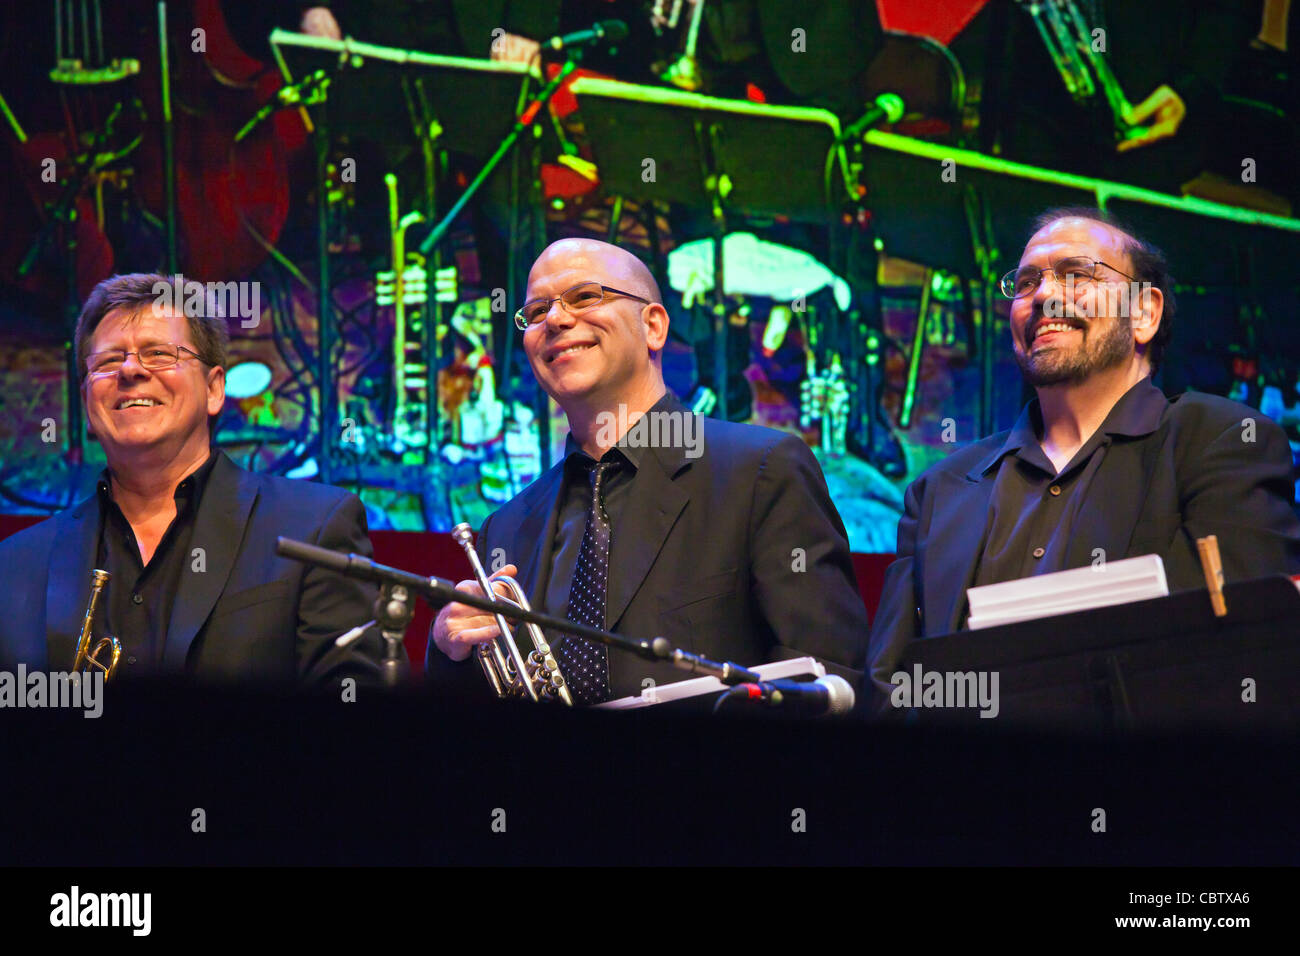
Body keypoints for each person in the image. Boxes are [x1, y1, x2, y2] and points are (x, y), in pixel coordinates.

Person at [866, 207, 1300, 700]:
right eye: (1027, 282)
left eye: (1076, 275)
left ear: (1144, 313)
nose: (1045, 295)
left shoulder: (1217, 443)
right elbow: (890, 689)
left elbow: (1251, 664)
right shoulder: (939, 491)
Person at [427, 238, 868, 703]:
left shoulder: (760, 471)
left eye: (584, 297)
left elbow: (830, 682)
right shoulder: (507, 527)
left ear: (653, 326)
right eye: (536, 312)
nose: (555, 319)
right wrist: (450, 651)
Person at [0, 273, 393, 686]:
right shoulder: (15, 564)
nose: (131, 369)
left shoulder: (315, 529)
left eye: (158, 353)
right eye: (109, 360)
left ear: (214, 389)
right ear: (86, 402)